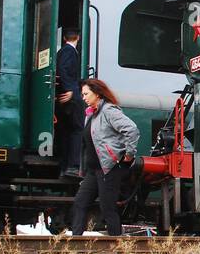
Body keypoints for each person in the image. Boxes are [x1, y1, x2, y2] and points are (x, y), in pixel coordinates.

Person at [68, 78, 140, 236]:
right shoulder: (91, 115)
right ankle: (75, 242)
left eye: (86, 94)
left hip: (109, 168)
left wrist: (128, 154)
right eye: (82, 94)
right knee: (80, 202)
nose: (84, 97)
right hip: (93, 170)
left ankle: (115, 244)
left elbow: (131, 129)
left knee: (107, 207)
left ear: (98, 94)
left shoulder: (108, 111)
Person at [55, 28, 83, 177]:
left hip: (66, 95)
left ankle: (64, 167)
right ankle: (73, 166)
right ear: (78, 37)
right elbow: (63, 69)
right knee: (77, 129)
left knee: (66, 131)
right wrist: (71, 90)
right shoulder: (69, 51)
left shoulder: (62, 51)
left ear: (65, 38)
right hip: (71, 96)